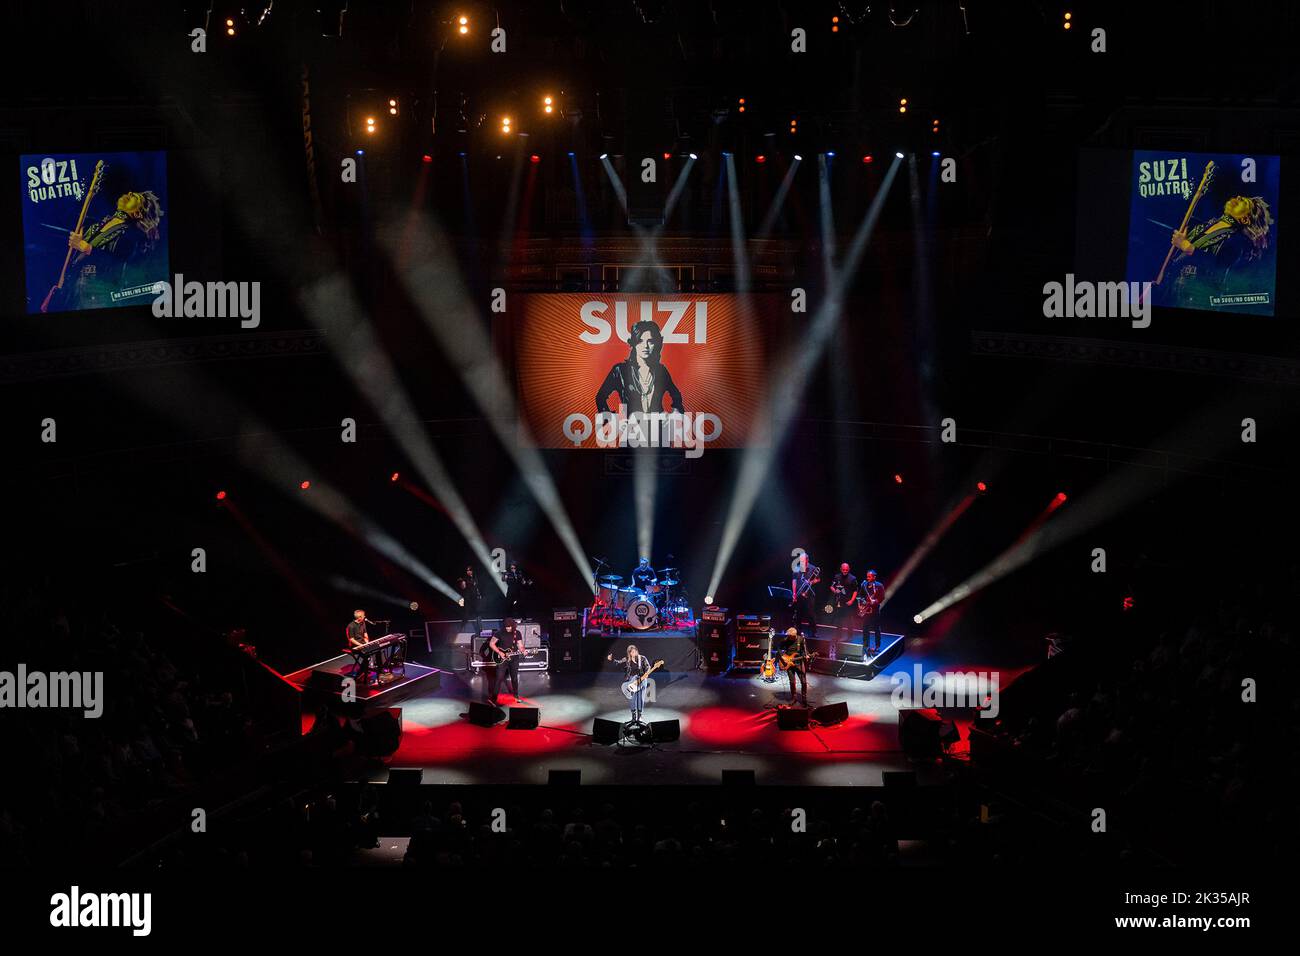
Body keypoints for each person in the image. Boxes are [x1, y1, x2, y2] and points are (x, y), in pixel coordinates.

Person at [55, 190, 165, 311]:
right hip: (75, 289)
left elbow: (118, 262)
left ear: (137, 214)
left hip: (99, 292)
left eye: (134, 197)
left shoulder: (132, 234)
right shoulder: (98, 224)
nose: (129, 193)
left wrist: (86, 247)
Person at [595, 320, 685, 417]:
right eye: (640, 341)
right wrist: (611, 418)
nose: (645, 346)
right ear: (634, 343)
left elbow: (676, 395)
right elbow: (600, 397)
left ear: (656, 344)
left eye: (650, 341)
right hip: (631, 429)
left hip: (657, 428)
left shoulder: (661, 370)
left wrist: (675, 413)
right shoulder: (620, 371)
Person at [607, 644, 655, 723]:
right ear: (629, 653)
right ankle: (633, 717)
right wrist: (612, 659)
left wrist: (645, 674)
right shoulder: (626, 659)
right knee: (632, 699)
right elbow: (618, 662)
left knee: (641, 699)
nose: (634, 653)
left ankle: (640, 717)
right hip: (631, 681)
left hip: (642, 681)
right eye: (632, 652)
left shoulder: (642, 658)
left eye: (635, 651)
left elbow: (648, 667)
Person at [485, 618, 525, 703]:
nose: (507, 628)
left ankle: (516, 695)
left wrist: (523, 650)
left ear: (513, 626)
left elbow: (520, 645)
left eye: (509, 627)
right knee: (499, 678)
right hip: (502, 659)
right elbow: (491, 644)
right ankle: (494, 698)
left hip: (514, 659)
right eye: (506, 627)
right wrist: (499, 652)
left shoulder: (517, 633)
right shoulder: (499, 633)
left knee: (514, 678)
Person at [830, 562, 859, 648]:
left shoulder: (853, 578)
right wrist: (835, 591)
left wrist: (852, 600)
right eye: (843, 570)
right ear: (841, 569)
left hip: (848, 602)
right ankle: (839, 635)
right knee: (839, 620)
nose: (845, 571)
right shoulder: (837, 577)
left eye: (846, 570)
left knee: (849, 620)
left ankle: (850, 636)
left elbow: (855, 590)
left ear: (849, 569)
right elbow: (831, 586)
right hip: (839, 602)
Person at [779, 627, 810, 706]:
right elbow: (779, 649)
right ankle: (794, 698)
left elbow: (804, 650)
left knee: (803, 681)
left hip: (799, 663)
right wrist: (783, 658)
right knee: (792, 682)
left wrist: (806, 655)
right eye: (788, 636)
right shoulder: (786, 640)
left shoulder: (801, 639)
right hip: (789, 663)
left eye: (790, 637)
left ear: (794, 636)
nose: (788, 638)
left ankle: (804, 698)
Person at [790, 553, 820, 633]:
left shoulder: (813, 568)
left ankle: (814, 631)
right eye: (801, 560)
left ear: (807, 560)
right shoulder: (797, 568)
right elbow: (794, 581)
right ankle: (798, 631)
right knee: (798, 612)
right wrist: (794, 593)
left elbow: (818, 579)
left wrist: (811, 582)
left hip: (809, 594)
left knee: (811, 613)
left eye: (803, 560)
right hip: (799, 594)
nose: (802, 562)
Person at [860, 570, 885, 655]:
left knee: (876, 628)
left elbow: (882, 597)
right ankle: (865, 645)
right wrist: (862, 602)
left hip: (874, 610)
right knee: (865, 628)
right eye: (867, 576)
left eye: (869, 577)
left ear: (874, 577)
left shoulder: (879, 585)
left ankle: (877, 645)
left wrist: (875, 601)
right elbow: (861, 596)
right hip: (866, 609)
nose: (867, 578)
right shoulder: (864, 585)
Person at [458, 566, 482, 635]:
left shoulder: (475, 577)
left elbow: (476, 587)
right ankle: (462, 628)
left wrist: (479, 594)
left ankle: (480, 629)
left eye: (469, 570)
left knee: (478, 613)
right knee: (466, 613)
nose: (468, 571)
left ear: (472, 571)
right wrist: (462, 583)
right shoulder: (464, 578)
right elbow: (463, 587)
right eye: (467, 570)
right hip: (468, 598)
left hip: (475, 598)